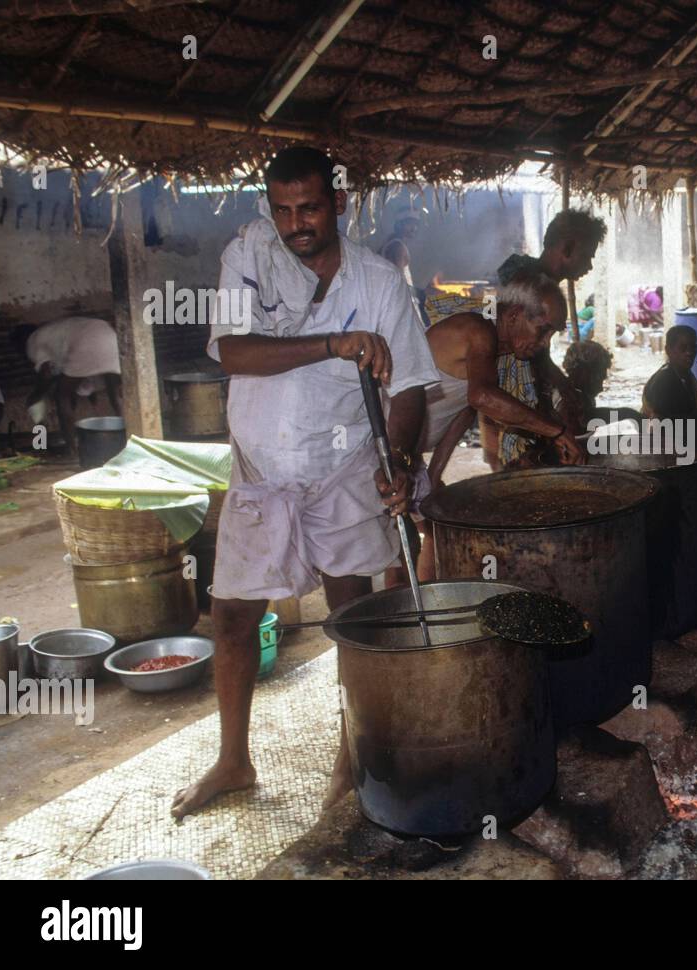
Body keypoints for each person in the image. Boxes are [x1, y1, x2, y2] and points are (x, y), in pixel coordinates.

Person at [171, 146, 438, 819]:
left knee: (350, 616)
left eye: (309, 208)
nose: (295, 224)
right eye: (283, 210)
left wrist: (399, 461)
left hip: (342, 467)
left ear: (337, 203)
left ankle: (351, 757)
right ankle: (233, 761)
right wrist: (332, 344)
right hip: (262, 467)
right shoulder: (248, 257)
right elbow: (234, 352)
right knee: (233, 616)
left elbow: (409, 387)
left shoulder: (379, 282)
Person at [385, 271, 585, 585]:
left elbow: (464, 414)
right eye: (543, 329)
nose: (545, 342)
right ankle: (395, 610)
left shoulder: (493, 354)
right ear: (515, 315)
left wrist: (433, 476)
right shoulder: (477, 330)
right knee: (397, 544)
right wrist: (556, 431)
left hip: (406, 454)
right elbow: (481, 397)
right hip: (377, 446)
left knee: (432, 530)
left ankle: (421, 603)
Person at [485, 209, 607, 467]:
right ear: (567, 248)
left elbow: (537, 356)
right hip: (509, 407)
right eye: (587, 255)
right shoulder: (525, 284)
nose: (589, 265)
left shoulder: (540, 285)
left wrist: (561, 384)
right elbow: (506, 358)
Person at [10, 316, 121, 453]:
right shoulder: (51, 333)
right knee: (116, 395)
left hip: (86, 342)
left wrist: (37, 394)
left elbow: (46, 374)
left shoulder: (32, 341)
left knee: (62, 397)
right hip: (110, 335)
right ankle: (133, 438)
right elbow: (63, 374)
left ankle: (72, 449)